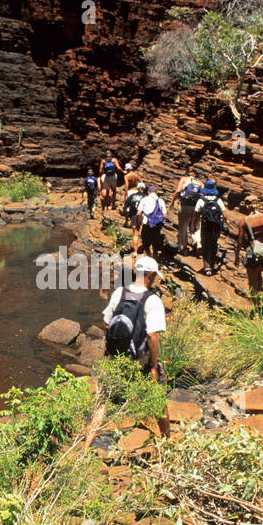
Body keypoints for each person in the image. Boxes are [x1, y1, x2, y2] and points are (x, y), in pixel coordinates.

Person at [102, 256, 170, 437]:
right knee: (158, 399)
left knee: (104, 401)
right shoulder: (152, 300)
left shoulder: (119, 293)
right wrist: (153, 366)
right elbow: (152, 336)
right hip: (140, 361)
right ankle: (168, 441)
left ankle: (87, 445)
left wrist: (112, 350)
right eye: (154, 275)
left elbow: (107, 324)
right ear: (151, 275)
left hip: (116, 360)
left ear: (135, 272)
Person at [235, 194, 263, 294]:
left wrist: (237, 257)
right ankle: (259, 296)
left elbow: (239, 242)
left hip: (253, 252)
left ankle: (255, 305)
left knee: (252, 280)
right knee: (259, 273)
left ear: (247, 206)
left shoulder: (244, 222)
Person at [194, 180, 226, 276]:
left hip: (205, 226)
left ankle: (207, 267)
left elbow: (196, 214)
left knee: (206, 246)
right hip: (216, 227)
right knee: (213, 244)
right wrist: (222, 224)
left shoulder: (201, 201)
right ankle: (212, 264)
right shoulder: (218, 200)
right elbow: (224, 214)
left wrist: (194, 224)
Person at [171, 168, 202, 253]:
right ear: (195, 174)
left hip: (184, 206)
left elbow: (178, 191)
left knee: (183, 227)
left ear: (187, 174)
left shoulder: (184, 179)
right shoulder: (199, 182)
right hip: (195, 208)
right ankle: (198, 242)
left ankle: (184, 248)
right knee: (195, 226)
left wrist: (173, 200)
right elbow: (203, 193)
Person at [136, 185, 167, 259]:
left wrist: (138, 223)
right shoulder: (161, 201)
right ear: (156, 192)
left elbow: (138, 213)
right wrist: (161, 223)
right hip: (157, 226)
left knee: (146, 245)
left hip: (146, 224)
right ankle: (155, 261)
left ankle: (150, 259)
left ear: (148, 192)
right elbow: (165, 216)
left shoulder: (144, 200)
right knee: (155, 246)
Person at [122, 176, 148, 259]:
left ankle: (135, 252)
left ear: (137, 188)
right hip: (143, 216)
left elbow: (125, 206)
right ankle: (145, 251)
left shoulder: (132, 196)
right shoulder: (146, 197)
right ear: (144, 189)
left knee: (135, 234)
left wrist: (127, 216)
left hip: (133, 215)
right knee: (143, 233)